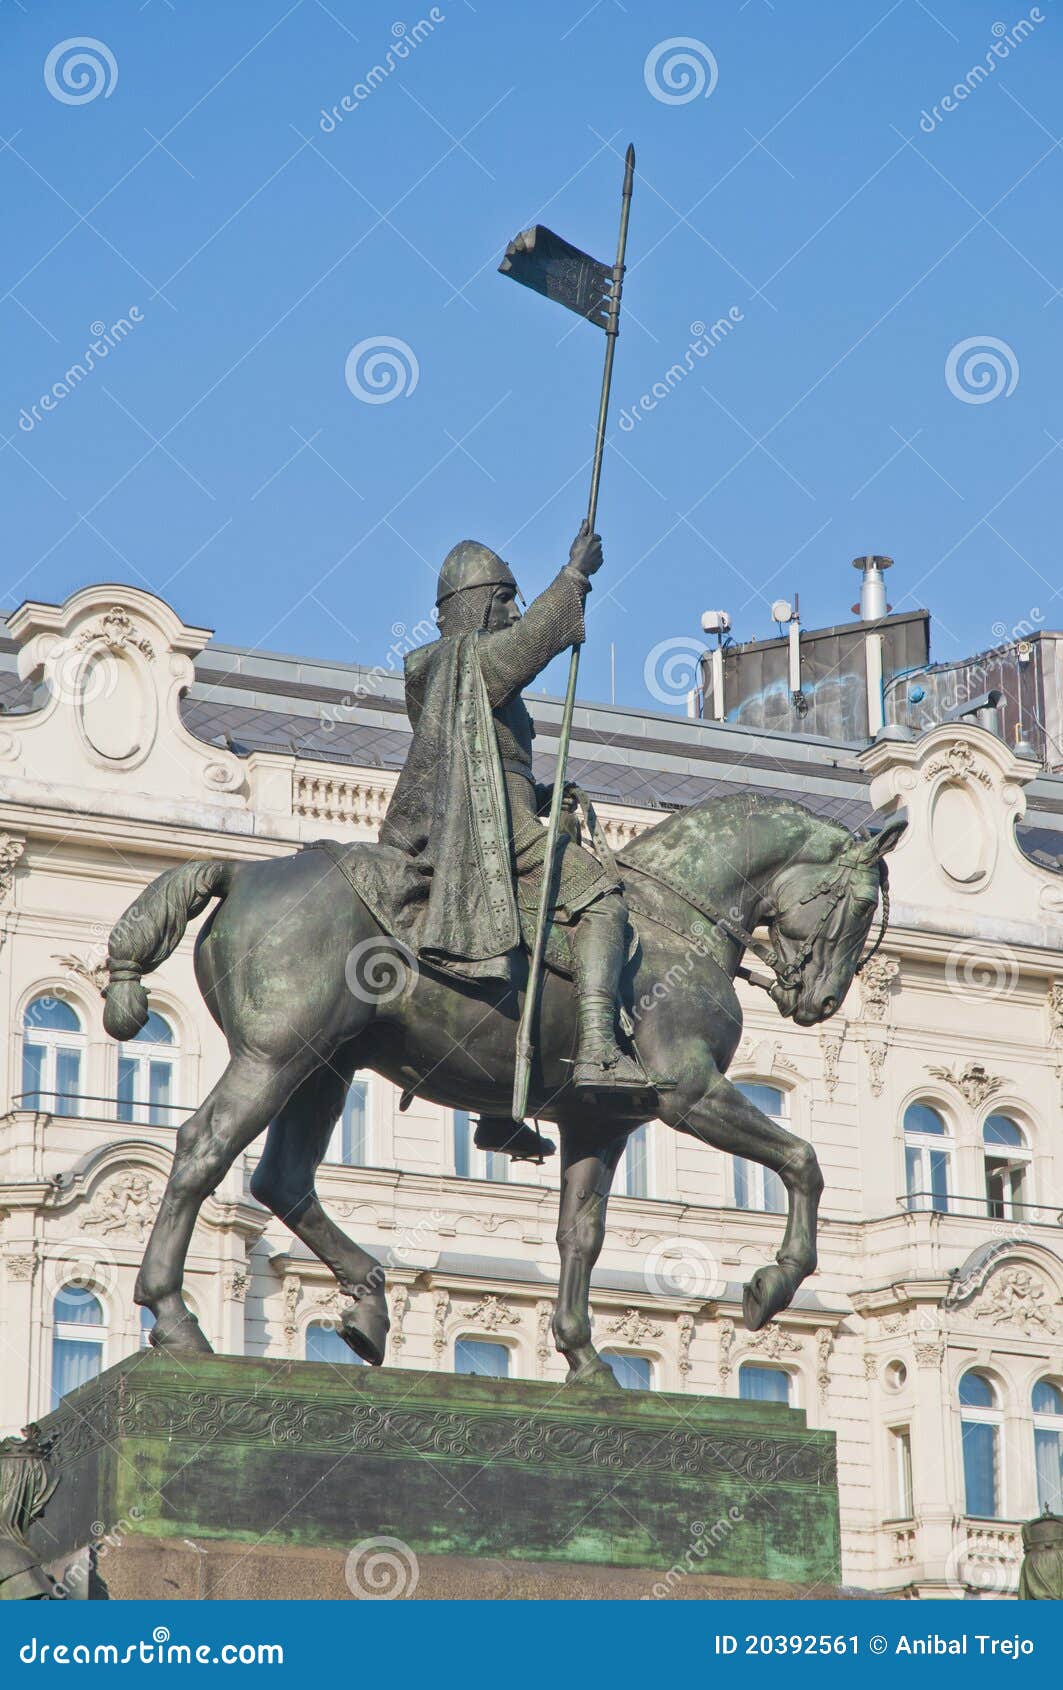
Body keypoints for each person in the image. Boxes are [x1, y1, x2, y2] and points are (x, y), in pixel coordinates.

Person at [379, 523, 647, 1158]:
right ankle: (598, 1051)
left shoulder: (461, 672)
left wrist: (545, 792)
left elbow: (496, 759)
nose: (515, 611)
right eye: (506, 598)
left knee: (542, 929)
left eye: (516, 600)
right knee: (605, 903)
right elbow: (530, 644)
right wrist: (575, 575)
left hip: (507, 810)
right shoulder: (463, 660)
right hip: (493, 830)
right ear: (476, 605)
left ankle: (505, 1098)